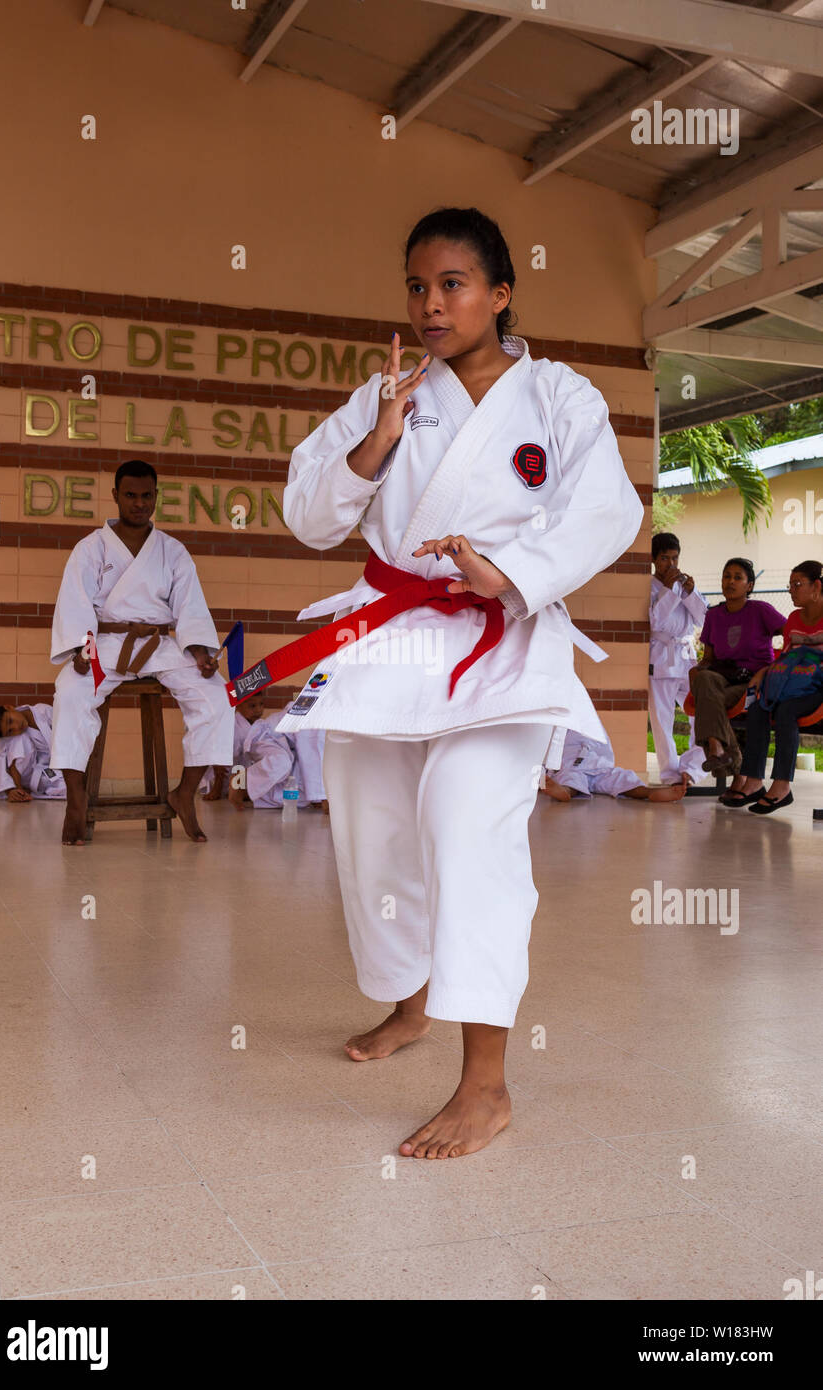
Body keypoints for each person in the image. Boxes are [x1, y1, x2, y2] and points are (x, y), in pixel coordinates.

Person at [270, 206, 643, 1159]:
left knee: (468, 827)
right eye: (416, 286)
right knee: (375, 825)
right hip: (393, 635)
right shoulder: (389, 391)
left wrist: (510, 576)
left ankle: (486, 1084)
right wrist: (377, 439)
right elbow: (309, 514)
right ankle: (413, 1000)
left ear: (501, 294)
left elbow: (608, 508)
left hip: (500, 635)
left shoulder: (560, 396)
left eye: (453, 285)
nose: (431, 305)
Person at [49, 460, 235, 845]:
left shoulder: (173, 551)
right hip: (104, 641)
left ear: (156, 496)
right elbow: (77, 602)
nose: (139, 503)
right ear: (115, 495)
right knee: (70, 692)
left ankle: (185, 792)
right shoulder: (91, 548)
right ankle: (75, 798)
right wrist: (81, 651)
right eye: (130, 495)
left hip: (159, 644)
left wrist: (200, 651)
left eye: (146, 495)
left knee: (217, 695)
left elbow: (190, 607)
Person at [722, 560, 823, 813]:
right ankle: (754, 781)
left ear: (817, 586)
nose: (791, 590)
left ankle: (781, 786)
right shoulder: (793, 618)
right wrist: (763, 673)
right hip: (793, 684)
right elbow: (786, 657)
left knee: (786, 711)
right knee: (758, 707)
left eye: (797, 584)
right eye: (790, 585)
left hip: (818, 689)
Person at [689, 558, 784, 777]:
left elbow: (791, 633)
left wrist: (778, 663)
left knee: (709, 702)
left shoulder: (761, 610)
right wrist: (696, 668)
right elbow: (709, 659)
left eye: (737, 577)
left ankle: (727, 760)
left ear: (749, 586)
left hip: (755, 682)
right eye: (727, 576)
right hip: (724, 676)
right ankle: (718, 749)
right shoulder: (713, 615)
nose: (730, 582)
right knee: (703, 679)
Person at [648, 532, 707, 785]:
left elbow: (705, 620)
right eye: (664, 559)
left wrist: (690, 594)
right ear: (653, 560)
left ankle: (693, 769)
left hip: (687, 658)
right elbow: (655, 621)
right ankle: (671, 775)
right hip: (661, 657)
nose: (671, 565)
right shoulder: (648, 586)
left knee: (702, 713)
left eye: (674, 558)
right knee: (662, 721)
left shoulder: (685, 585)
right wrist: (669, 591)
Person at [201, 695, 328, 810]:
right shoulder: (313, 713)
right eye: (252, 706)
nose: (258, 710)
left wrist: (316, 797)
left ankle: (251, 792)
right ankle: (243, 780)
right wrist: (323, 797)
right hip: (268, 738)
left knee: (298, 796)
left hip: (289, 749)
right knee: (282, 762)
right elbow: (313, 756)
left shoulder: (330, 719)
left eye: (261, 705)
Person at [542, 728, 687, 802]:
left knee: (571, 776)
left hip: (578, 763)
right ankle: (646, 792)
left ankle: (566, 792)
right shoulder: (579, 716)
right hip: (596, 764)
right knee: (619, 777)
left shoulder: (577, 717)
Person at [0, 703, 66, 801]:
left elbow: (68, 731)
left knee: (71, 786)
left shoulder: (43, 711)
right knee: (18, 739)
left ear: (9, 707)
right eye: (10, 731)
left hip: (63, 763)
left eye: (10, 721)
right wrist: (10, 790)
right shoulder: (14, 738)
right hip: (36, 773)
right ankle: (19, 790)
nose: (16, 727)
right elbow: (1, 762)